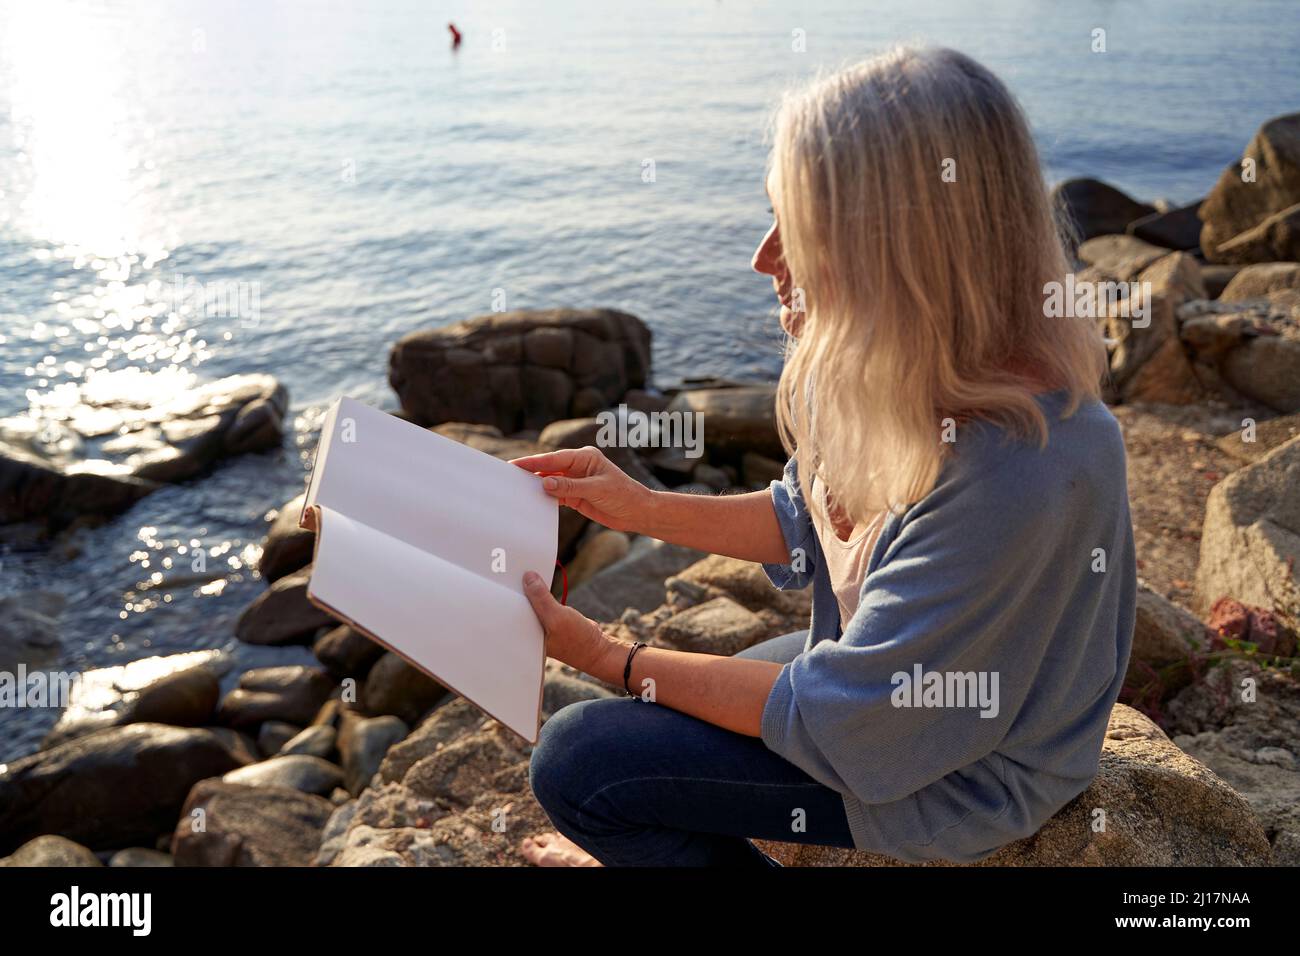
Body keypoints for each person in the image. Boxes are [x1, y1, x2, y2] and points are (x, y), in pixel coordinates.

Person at [509, 44, 1136, 867]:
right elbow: (806, 519)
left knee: (582, 760)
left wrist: (606, 659)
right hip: (882, 690)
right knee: (691, 705)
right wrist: (643, 507)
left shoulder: (1016, 466)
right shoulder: (919, 373)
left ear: (899, 249)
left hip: (963, 769)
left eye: (797, 230)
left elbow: (848, 714)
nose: (764, 257)